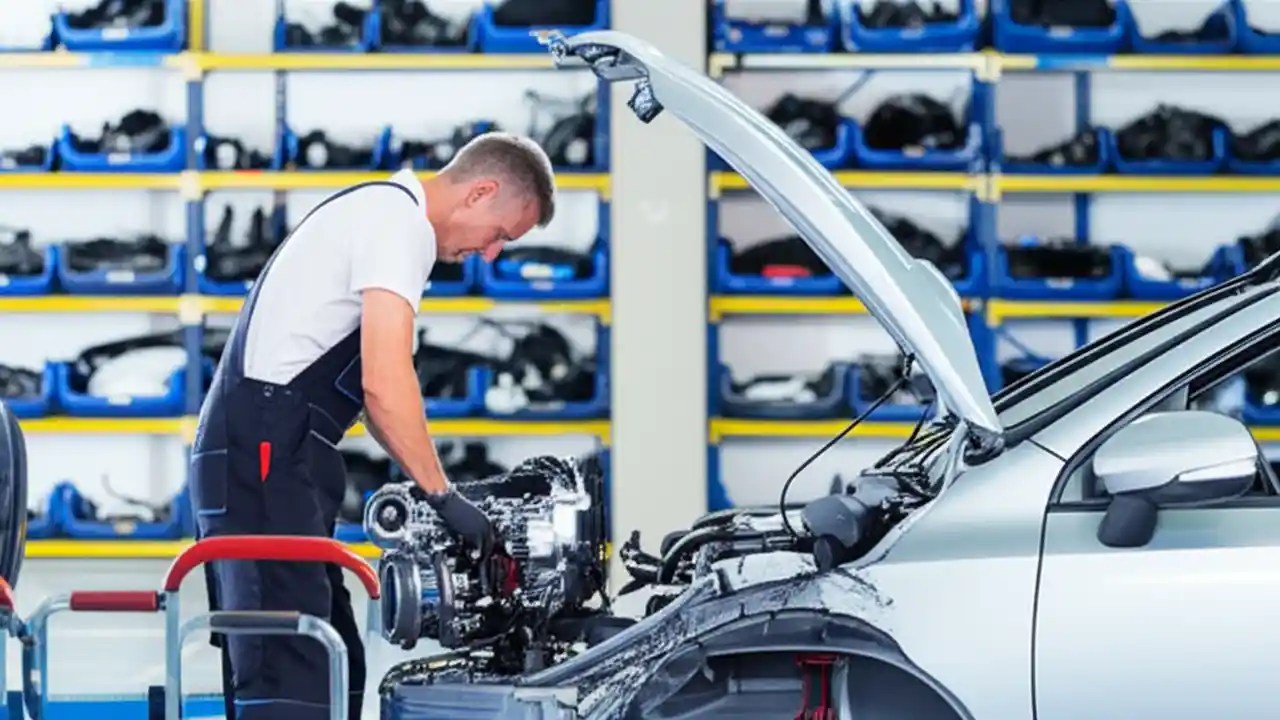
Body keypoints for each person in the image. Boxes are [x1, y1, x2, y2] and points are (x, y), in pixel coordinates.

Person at [187, 131, 558, 720]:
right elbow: (385, 385)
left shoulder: (385, 216)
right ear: (480, 192)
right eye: (501, 236)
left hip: (277, 450)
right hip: (260, 451)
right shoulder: (397, 225)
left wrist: (436, 498)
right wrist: (444, 495)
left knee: (332, 656)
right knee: (291, 667)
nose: (491, 255)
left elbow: (377, 399)